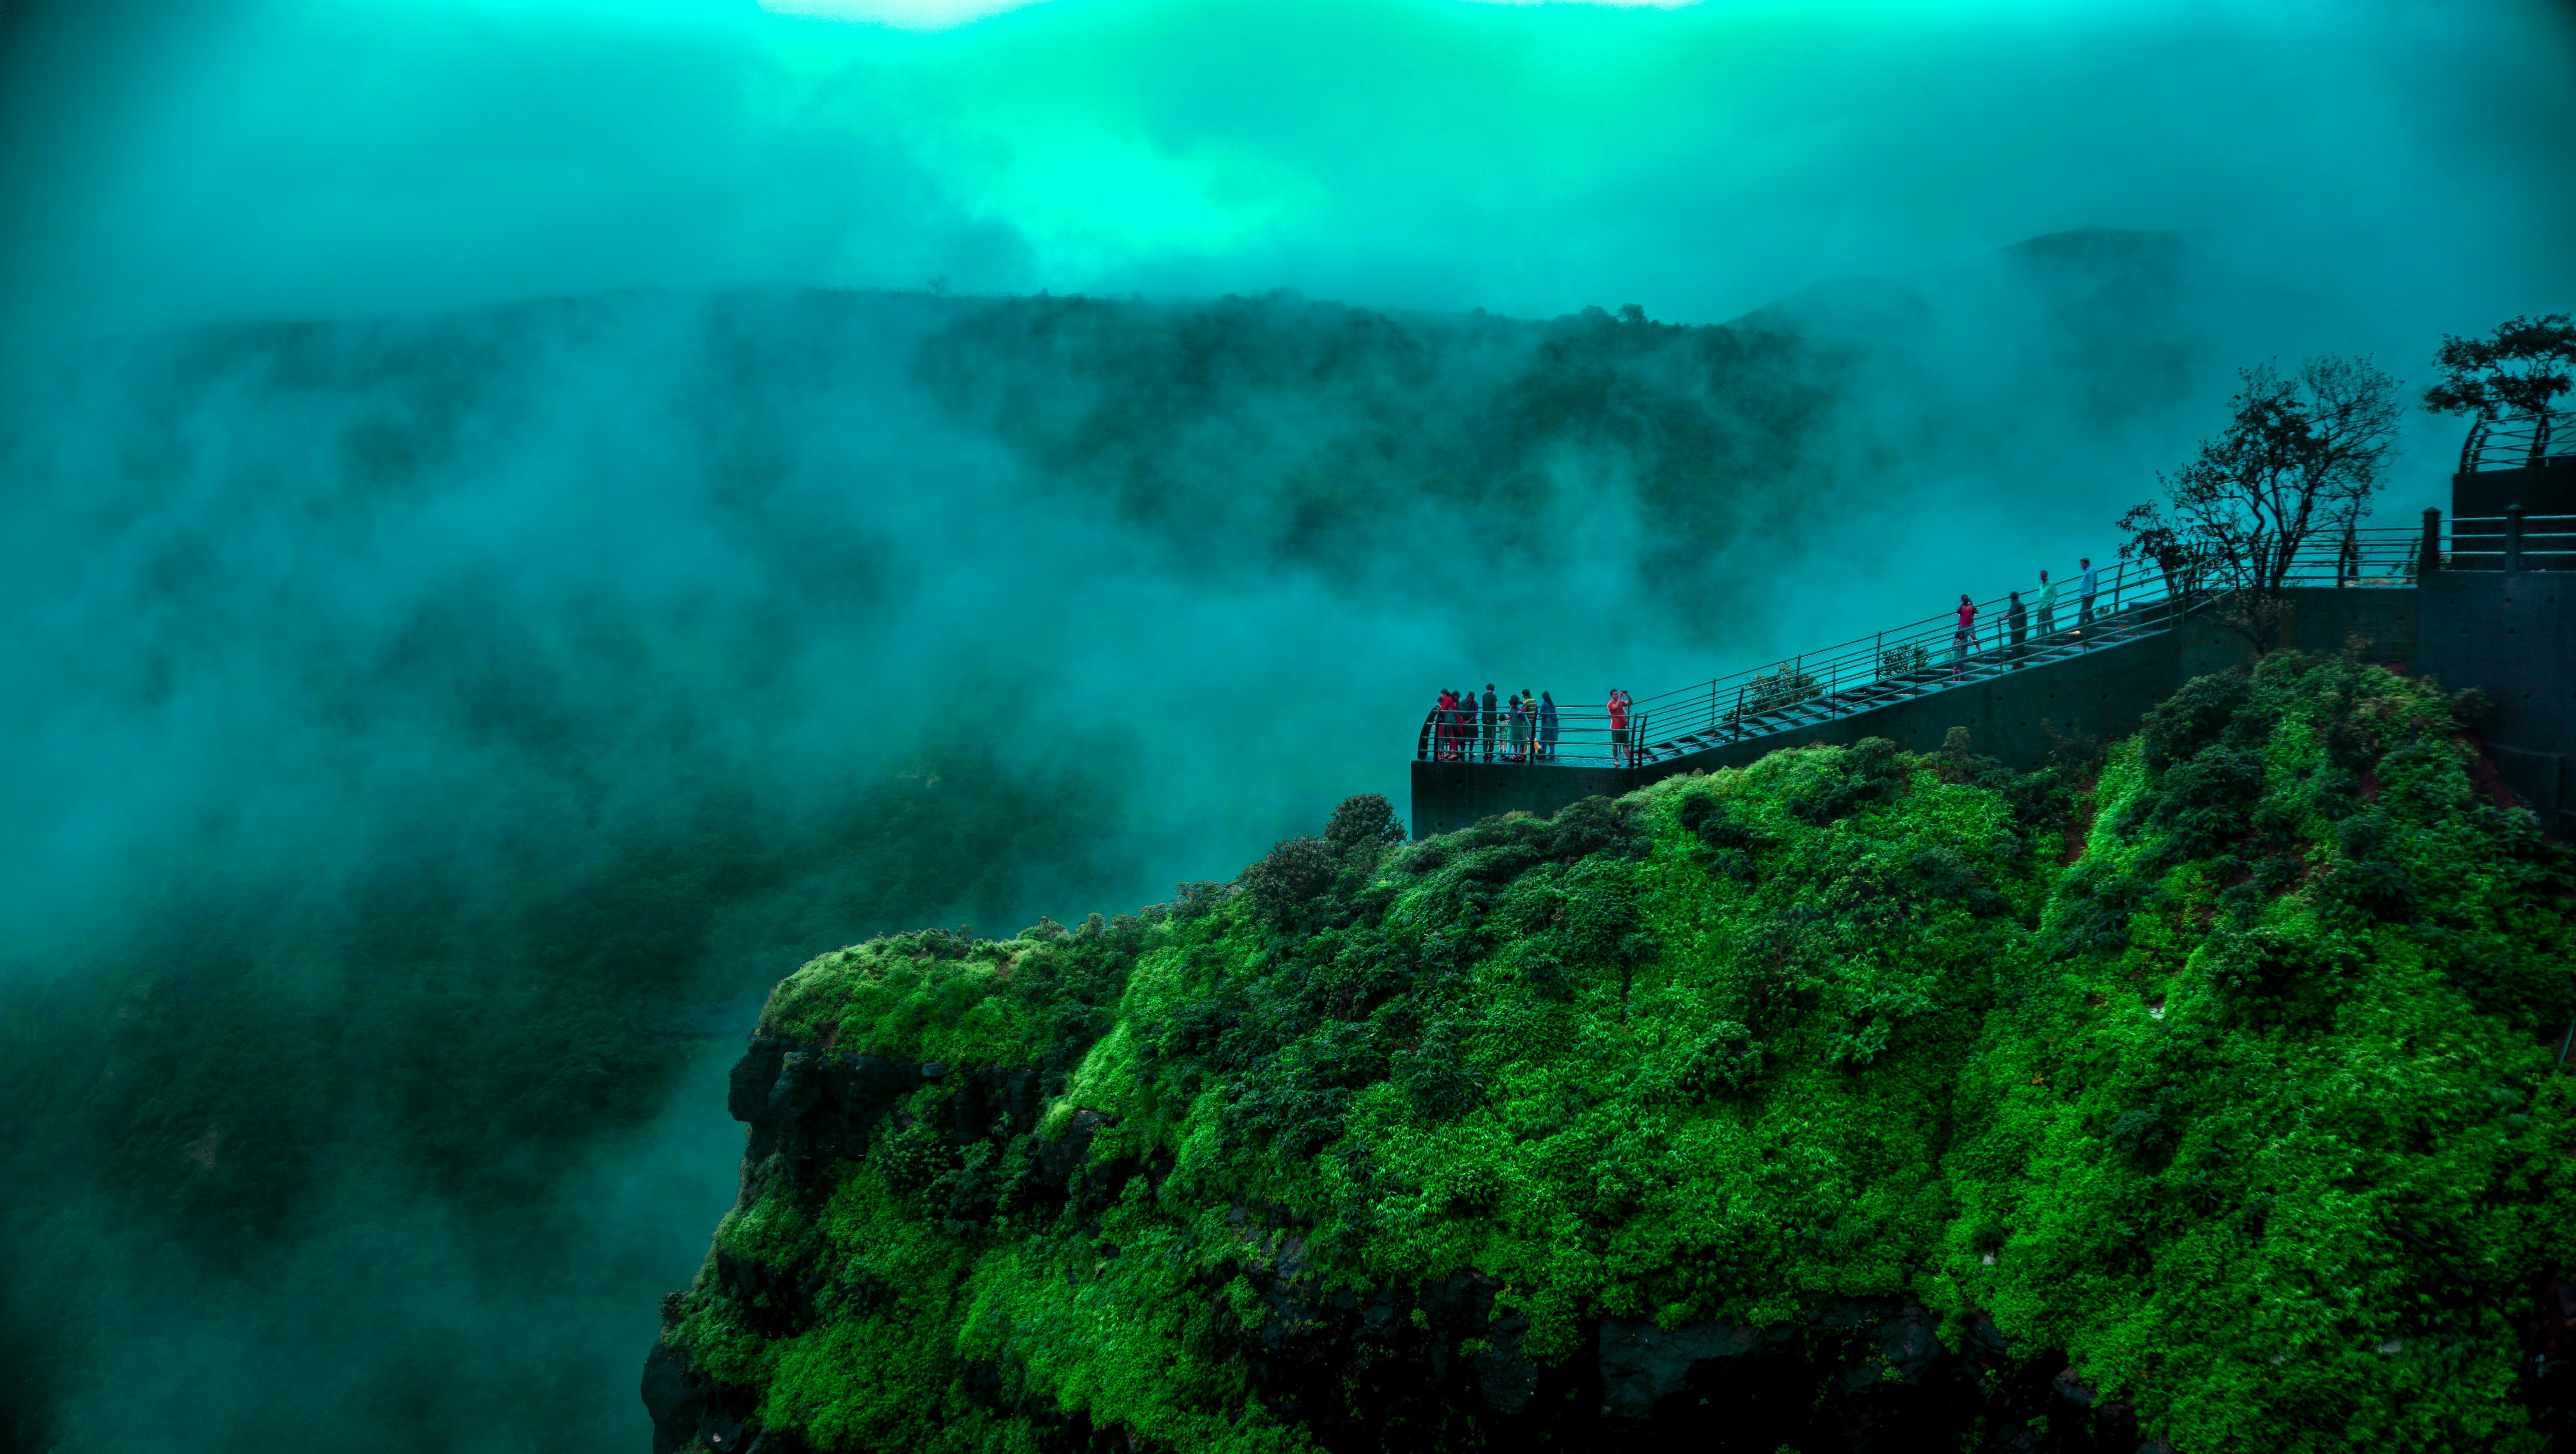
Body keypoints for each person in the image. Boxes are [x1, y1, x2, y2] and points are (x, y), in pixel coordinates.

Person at [1951, 594, 1975, 679]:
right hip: (1962, 625)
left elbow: (1976, 612)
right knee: (1955, 668)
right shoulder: (1962, 607)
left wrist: (1971, 604)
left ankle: (1958, 679)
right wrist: (1963, 605)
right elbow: (1958, 612)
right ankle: (1954, 679)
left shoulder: (1970, 606)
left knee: (1970, 639)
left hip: (1969, 625)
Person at [1607, 688, 1630, 766]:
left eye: (1617, 694)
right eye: (1615, 694)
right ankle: (1616, 761)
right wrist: (1621, 697)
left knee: (1625, 745)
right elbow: (1616, 707)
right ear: (1611, 696)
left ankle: (1630, 761)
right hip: (1616, 727)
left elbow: (1630, 703)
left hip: (1623, 726)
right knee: (1615, 745)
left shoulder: (1621, 702)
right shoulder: (1610, 704)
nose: (1617, 695)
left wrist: (1627, 696)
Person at [2035, 569, 2058, 639]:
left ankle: (2053, 633)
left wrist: (2052, 602)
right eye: (2042, 576)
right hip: (2041, 605)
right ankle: (2043, 635)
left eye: (2044, 576)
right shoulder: (2041, 585)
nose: (2042, 577)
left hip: (2048, 604)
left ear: (2047, 576)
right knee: (2043, 620)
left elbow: (2055, 594)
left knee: (2049, 618)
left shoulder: (2051, 584)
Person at [1480, 683, 1499, 763]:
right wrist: (1496, 718)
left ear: (1486, 688)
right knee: (1492, 736)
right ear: (1493, 689)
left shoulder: (1484, 696)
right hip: (1491, 718)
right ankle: (1490, 752)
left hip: (1484, 717)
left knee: (1485, 736)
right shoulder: (1494, 696)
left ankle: (1485, 752)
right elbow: (1495, 707)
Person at [2078, 557, 2099, 631]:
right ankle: (2093, 622)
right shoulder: (2087, 571)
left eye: (2083, 564)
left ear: (2087, 563)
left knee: (2084, 610)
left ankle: (2080, 625)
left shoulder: (2091, 570)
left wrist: (2092, 591)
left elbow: (2093, 580)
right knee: (2088, 609)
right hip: (2085, 594)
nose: (2081, 565)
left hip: (2089, 594)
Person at [2006, 590, 2028, 661]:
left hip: (2017, 628)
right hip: (2022, 628)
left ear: (2011, 599)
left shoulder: (2015, 604)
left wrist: (2003, 617)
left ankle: (2017, 664)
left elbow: (2012, 613)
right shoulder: (2021, 605)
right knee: (2020, 646)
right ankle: (2020, 663)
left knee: (2015, 646)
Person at [1539, 691, 1560, 761]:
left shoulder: (1544, 704)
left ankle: (1544, 754)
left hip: (1547, 723)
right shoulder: (1552, 704)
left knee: (1544, 738)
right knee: (1552, 739)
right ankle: (1552, 754)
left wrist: (1542, 724)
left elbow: (1544, 715)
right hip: (1553, 724)